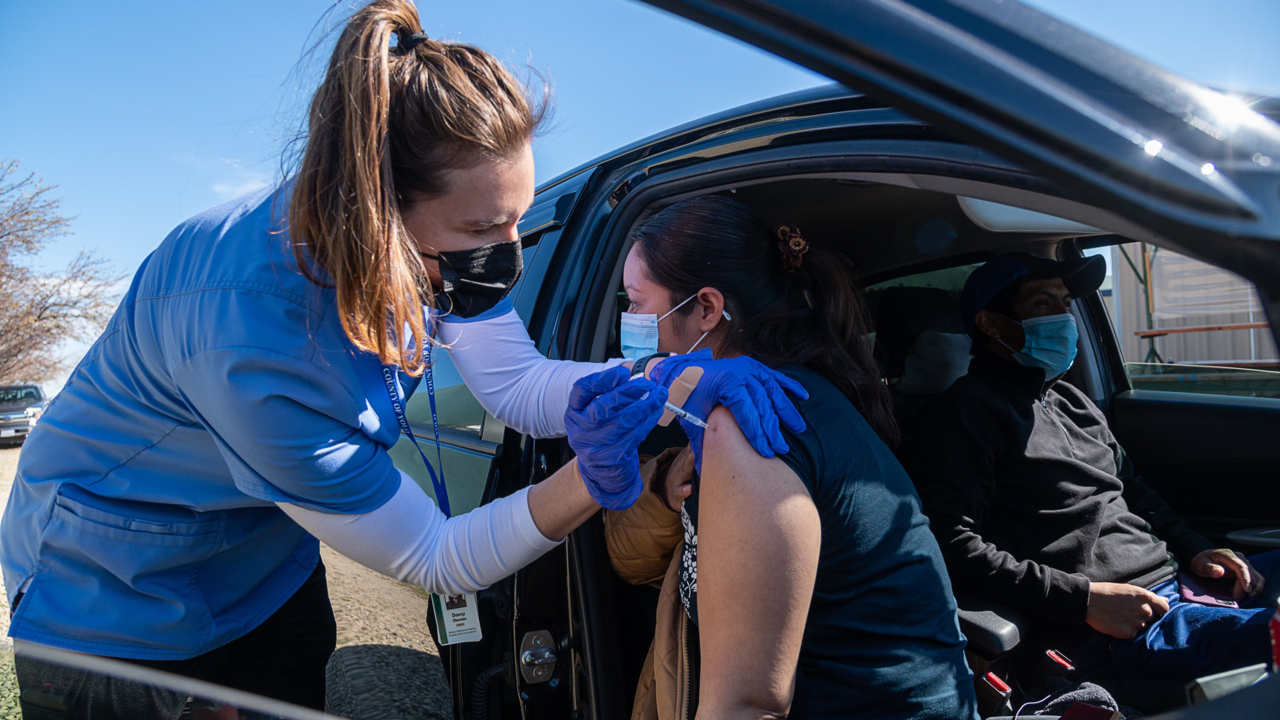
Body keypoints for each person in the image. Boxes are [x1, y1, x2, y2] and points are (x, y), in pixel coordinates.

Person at [0, 2, 803, 716]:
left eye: (515, 219)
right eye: (482, 229)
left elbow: (519, 386)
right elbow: (436, 554)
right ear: (380, 214)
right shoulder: (253, 333)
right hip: (118, 592)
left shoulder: (431, 252)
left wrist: (668, 378)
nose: (507, 251)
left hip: (263, 566)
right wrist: (588, 480)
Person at [602, 196, 979, 720]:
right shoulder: (783, 393)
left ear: (706, 309)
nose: (627, 320)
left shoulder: (750, 423)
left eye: (636, 303)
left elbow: (745, 706)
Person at [901, 251, 1280, 682]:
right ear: (991, 323)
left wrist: (1195, 549)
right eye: (1042, 303)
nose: (1064, 317)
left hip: (1182, 581)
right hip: (1124, 625)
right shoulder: (965, 415)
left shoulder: (1070, 400)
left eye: (1065, 302)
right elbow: (950, 543)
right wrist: (1081, 600)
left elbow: (1133, 491)